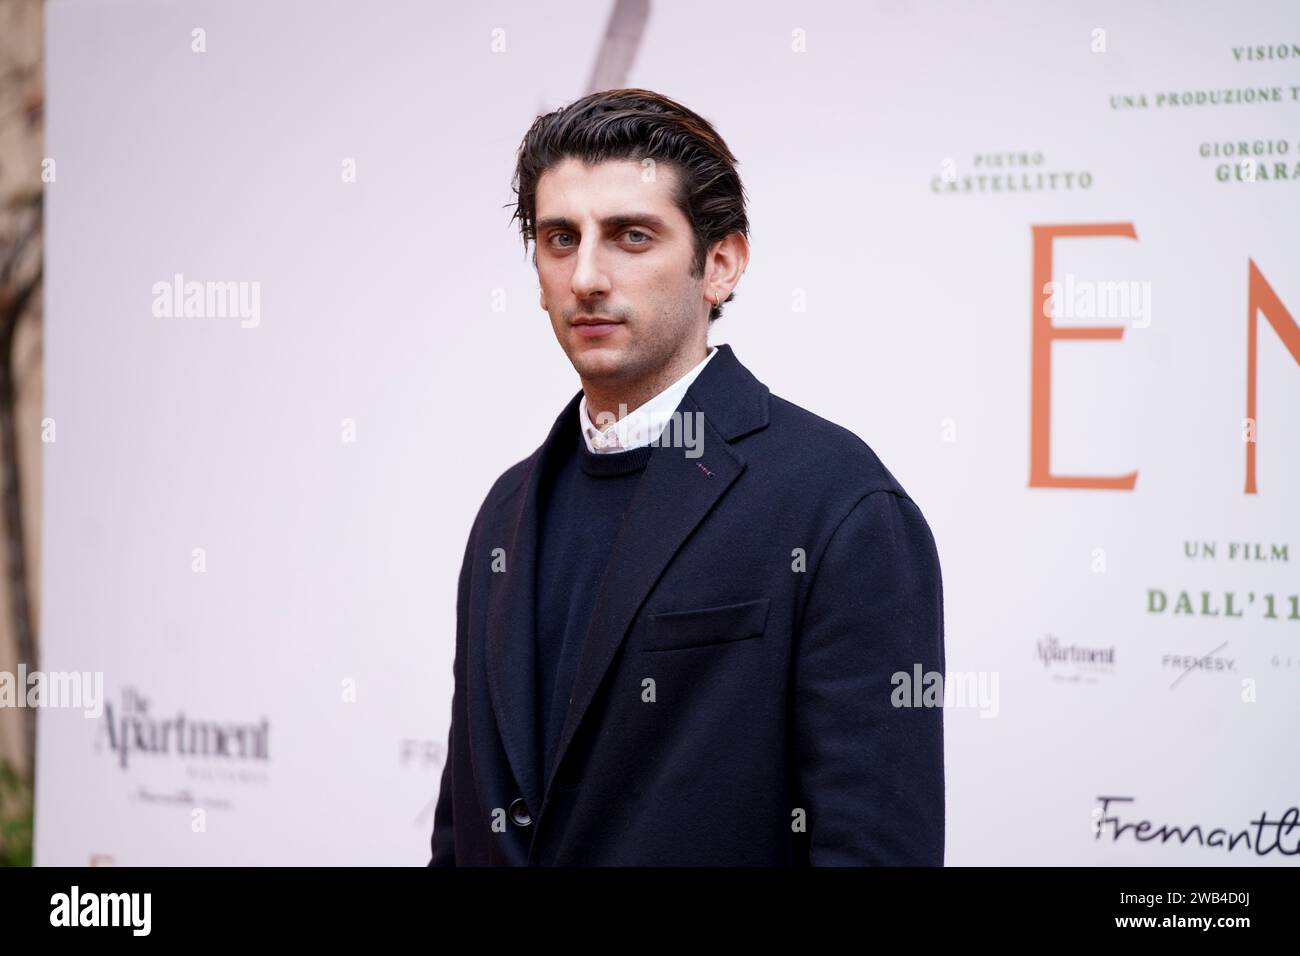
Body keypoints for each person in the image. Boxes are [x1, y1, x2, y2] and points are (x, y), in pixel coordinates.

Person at [429, 88, 944, 866]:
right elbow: (462, 831)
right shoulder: (505, 512)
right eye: (561, 239)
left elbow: (875, 850)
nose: (588, 277)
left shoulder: (838, 504)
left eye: (632, 236)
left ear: (722, 265)